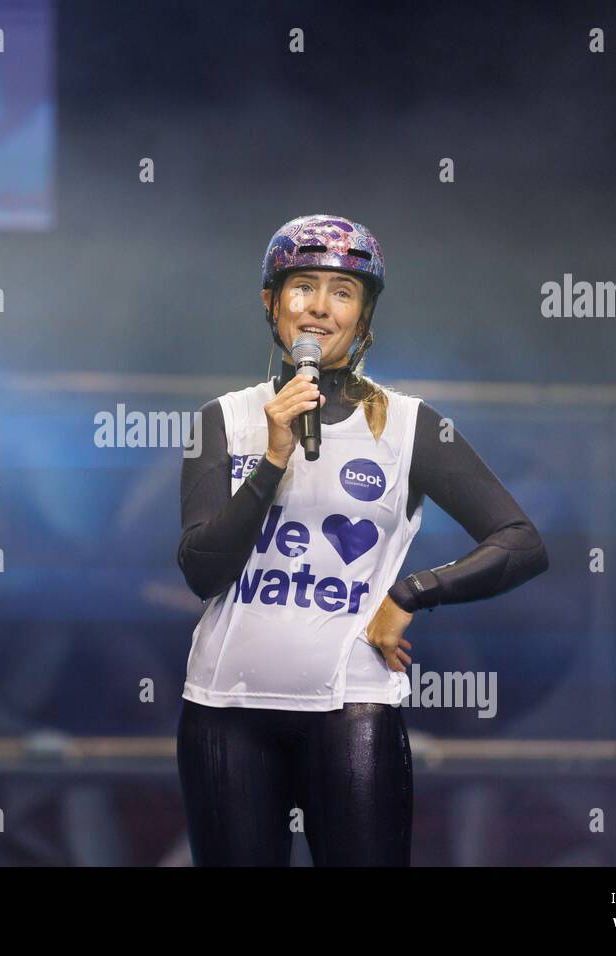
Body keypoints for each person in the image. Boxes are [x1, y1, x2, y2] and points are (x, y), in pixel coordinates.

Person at [176, 214, 549, 865]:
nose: (320, 307)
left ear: (364, 315)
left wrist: (413, 593)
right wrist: (271, 460)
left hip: (354, 707)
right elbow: (202, 572)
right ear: (271, 302)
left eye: (342, 292)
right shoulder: (225, 420)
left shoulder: (408, 426)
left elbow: (520, 541)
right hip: (225, 708)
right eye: (303, 287)